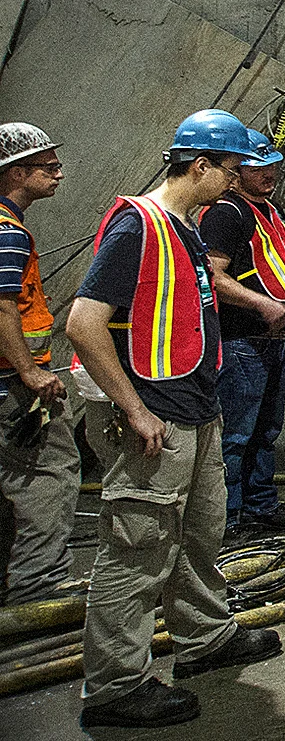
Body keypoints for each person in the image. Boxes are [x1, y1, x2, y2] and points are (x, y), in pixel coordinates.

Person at [67, 110, 282, 729]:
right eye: (232, 169)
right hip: (155, 415)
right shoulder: (139, 226)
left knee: (197, 534)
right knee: (137, 550)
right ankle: (114, 686)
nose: (237, 180)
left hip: (195, 408)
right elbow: (82, 324)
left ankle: (205, 636)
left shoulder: (185, 229)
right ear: (201, 165)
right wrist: (133, 410)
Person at [200, 128, 285, 539]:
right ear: (236, 171)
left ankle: (260, 505)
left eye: (272, 164)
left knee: (266, 429)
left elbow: (278, 268)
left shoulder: (269, 210)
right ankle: (228, 519)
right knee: (236, 434)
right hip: (242, 342)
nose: (270, 173)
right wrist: (263, 305)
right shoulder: (226, 213)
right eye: (258, 166)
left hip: (274, 340)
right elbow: (212, 275)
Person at [0, 122, 82, 605]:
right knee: (47, 477)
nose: (58, 174)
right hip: (14, 383)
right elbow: (3, 306)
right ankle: (39, 589)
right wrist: (30, 372)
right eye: (49, 167)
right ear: (17, 172)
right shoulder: (7, 234)